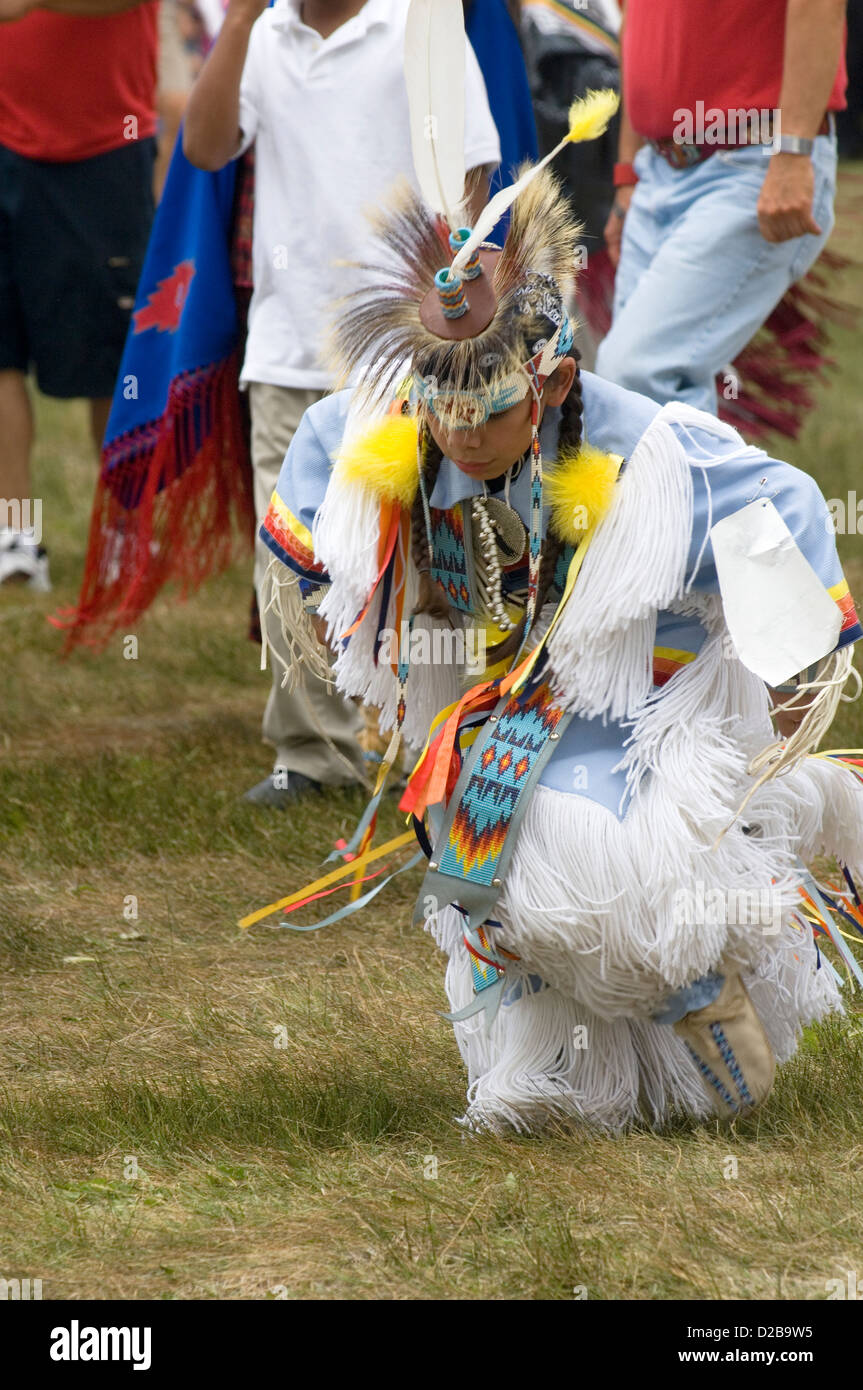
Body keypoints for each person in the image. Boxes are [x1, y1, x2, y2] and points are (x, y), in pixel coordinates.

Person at [249, 71, 863, 1133]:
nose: (460, 438)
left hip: (646, 701)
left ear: (547, 383)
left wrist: (794, 656)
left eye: (486, 415)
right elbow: (319, 456)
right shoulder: (401, 427)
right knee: (479, 855)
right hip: (506, 696)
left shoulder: (652, 454)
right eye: (441, 414)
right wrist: (324, 575)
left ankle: (707, 963)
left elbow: (788, 507)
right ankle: (554, 1078)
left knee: (581, 856)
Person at [183, 0, 501, 806]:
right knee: (289, 558)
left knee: (428, 554)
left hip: (399, 350)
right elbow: (204, 146)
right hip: (288, 345)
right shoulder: (263, 34)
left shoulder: (418, 21)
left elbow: (470, 170)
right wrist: (240, 23)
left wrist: (449, 309)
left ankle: (439, 743)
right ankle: (313, 751)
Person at [595, 0, 848, 414]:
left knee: (637, 375)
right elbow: (635, 23)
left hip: (753, 159)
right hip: (658, 165)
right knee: (630, 395)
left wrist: (793, 150)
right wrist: (628, 174)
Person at [0, 0, 159, 590]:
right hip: (5, 140)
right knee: (1, 354)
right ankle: (15, 537)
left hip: (104, 146)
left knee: (113, 362)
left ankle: (123, 531)